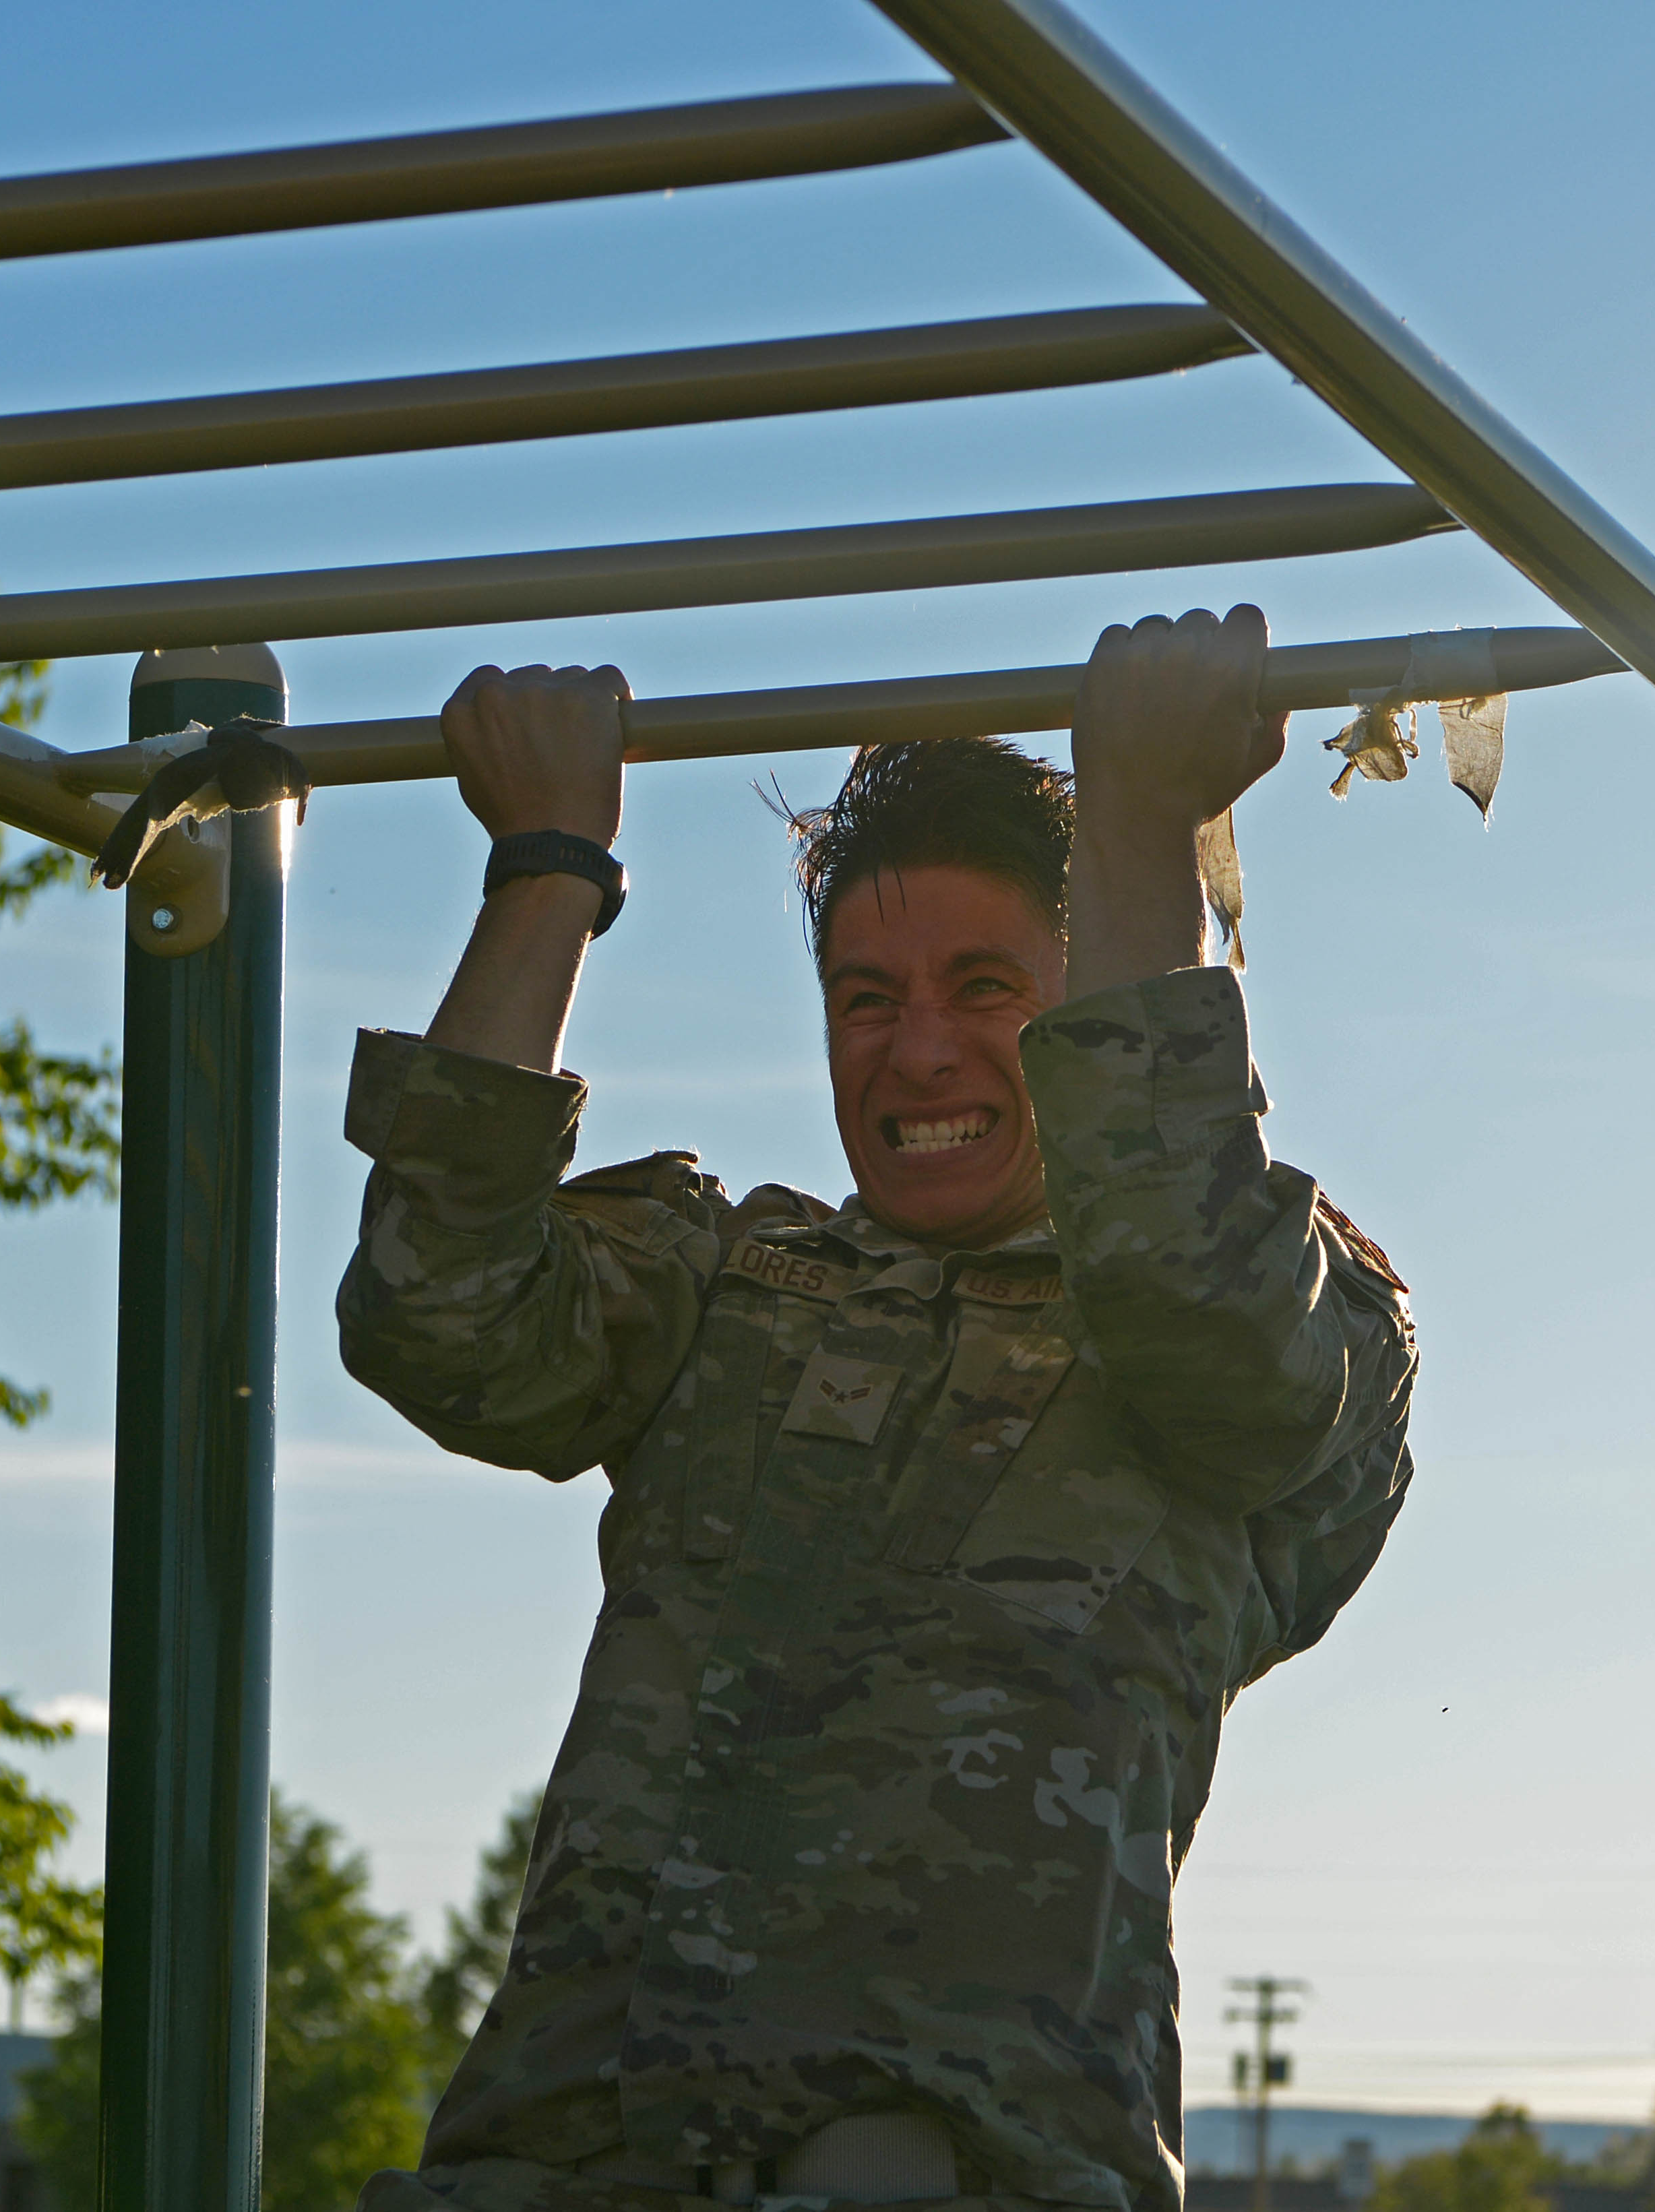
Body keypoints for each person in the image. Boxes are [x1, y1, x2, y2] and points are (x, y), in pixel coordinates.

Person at [338, 606, 1419, 2212]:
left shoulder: (1293, 1322)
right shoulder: (729, 1276)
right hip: (566, 2158)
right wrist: (550, 868)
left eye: (988, 986)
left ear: (1091, 992)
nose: (917, 1053)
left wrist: (1140, 832)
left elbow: (1195, 1295)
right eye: (865, 996)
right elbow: (435, 1309)